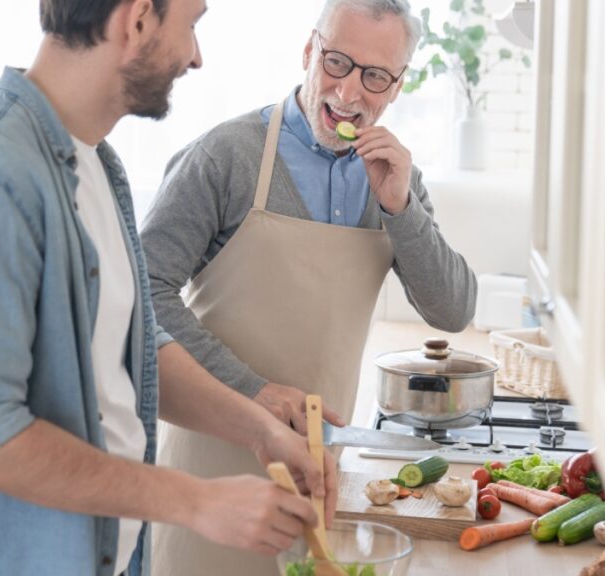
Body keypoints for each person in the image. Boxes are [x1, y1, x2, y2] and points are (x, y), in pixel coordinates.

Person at [0, 1, 335, 575]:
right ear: (137, 19)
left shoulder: (96, 164)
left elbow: (131, 349)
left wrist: (259, 429)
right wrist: (194, 501)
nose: (195, 57)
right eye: (191, 25)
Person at [140, 0, 477, 573]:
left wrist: (401, 209)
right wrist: (252, 391)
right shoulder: (225, 156)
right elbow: (142, 292)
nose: (349, 92)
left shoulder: (394, 180)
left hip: (320, 479)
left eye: (375, 76)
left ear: (397, 86)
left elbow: (453, 309)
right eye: (337, 62)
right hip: (211, 470)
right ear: (308, 51)